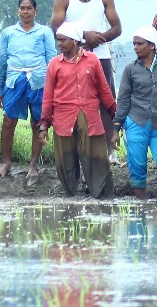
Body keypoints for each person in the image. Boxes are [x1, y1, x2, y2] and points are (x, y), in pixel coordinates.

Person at [53, 0, 123, 155]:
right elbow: (56, 27)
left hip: (100, 57)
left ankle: (110, 151)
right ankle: (78, 147)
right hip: (72, 59)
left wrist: (97, 39)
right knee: (74, 101)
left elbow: (117, 28)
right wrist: (83, 37)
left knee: (106, 100)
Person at [39, 21, 117, 198]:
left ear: (74, 41)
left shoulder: (92, 60)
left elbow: (104, 91)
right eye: (58, 40)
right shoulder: (54, 64)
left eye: (63, 40)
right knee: (66, 163)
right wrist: (44, 126)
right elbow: (48, 96)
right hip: (63, 119)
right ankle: (71, 198)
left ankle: (102, 197)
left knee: (97, 160)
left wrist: (116, 119)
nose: (59, 44)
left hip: (90, 118)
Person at [0, 0, 57, 185]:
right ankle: (6, 163)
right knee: (8, 120)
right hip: (14, 80)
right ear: (17, 11)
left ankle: (33, 165)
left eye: (29, 8)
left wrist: (53, 87)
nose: (25, 12)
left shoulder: (44, 32)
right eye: (22, 8)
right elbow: (1, 60)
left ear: (35, 11)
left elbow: (52, 59)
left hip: (39, 81)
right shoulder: (8, 33)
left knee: (38, 122)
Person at [114, 27, 157, 199]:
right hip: (136, 122)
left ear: (152, 45)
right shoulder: (130, 69)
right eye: (134, 43)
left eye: (139, 43)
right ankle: (142, 207)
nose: (135, 47)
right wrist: (116, 128)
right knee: (137, 165)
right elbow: (123, 99)